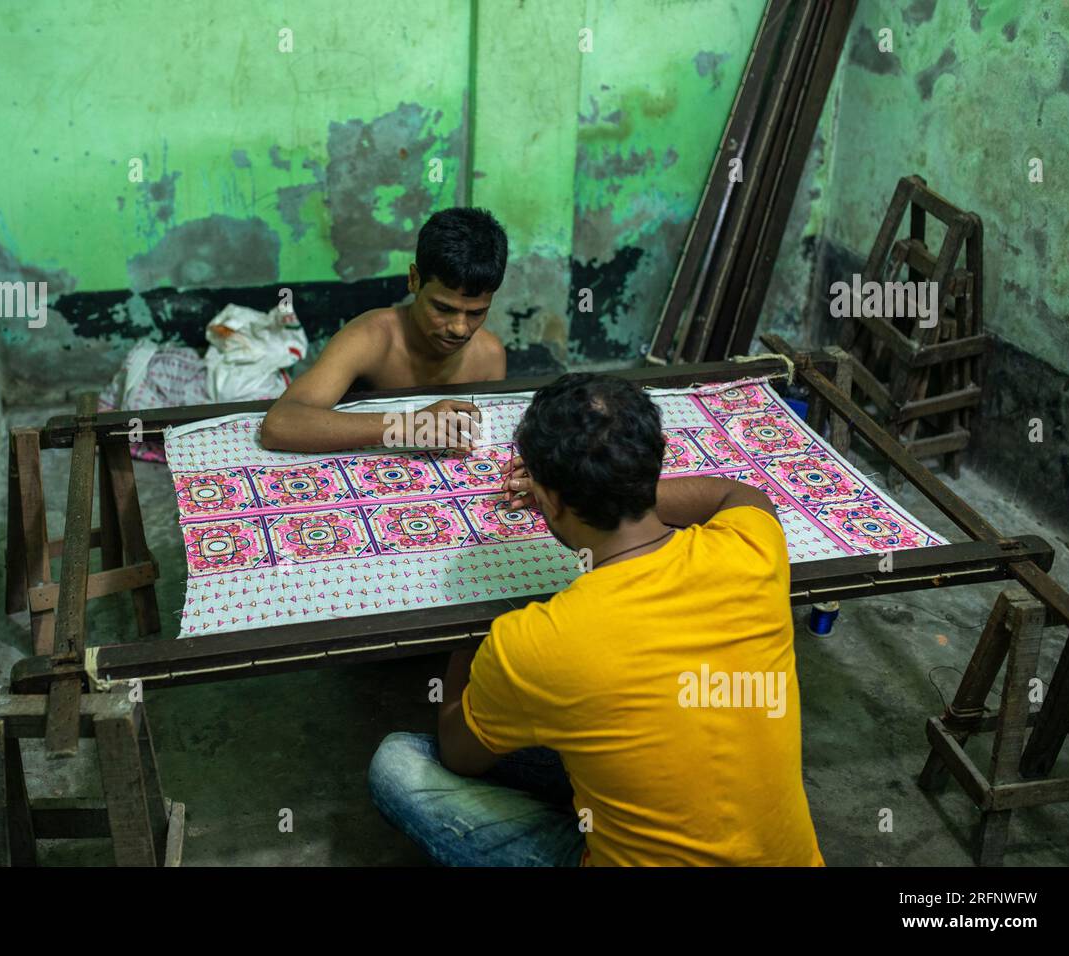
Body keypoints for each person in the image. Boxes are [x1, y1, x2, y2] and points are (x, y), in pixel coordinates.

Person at [369, 373, 824, 866]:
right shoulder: (754, 550)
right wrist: (618, 486)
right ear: (654, 463)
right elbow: (737, 495)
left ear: (551, 501)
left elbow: (459, 753)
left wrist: (472, 635)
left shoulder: (535, 642)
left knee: (397, 764)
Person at [259, 207, 508, 455]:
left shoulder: (488, 357)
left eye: (476, 313)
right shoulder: (369, 339)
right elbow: (280, 424)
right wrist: (405, 426)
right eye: (443, 308)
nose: (459, 328)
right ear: (414, 280)